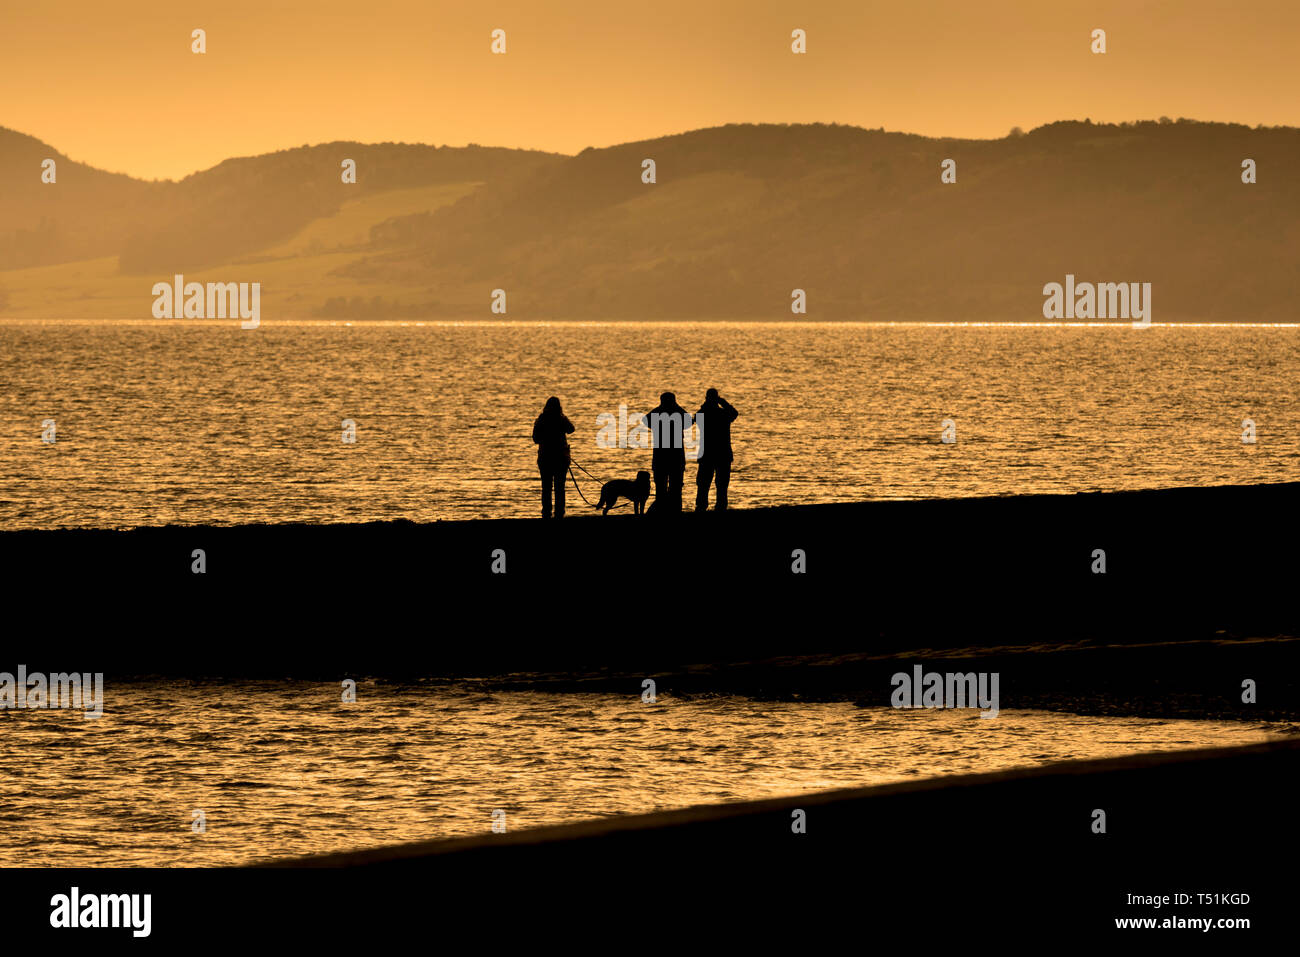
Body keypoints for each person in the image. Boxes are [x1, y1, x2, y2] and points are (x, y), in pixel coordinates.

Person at [640, 392, 692, 513]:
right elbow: (689, 421)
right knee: (676, 487)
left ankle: (662, 511)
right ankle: (675, 510)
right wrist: (677, 406)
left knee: (662, 488)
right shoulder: (678, 413)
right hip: (676, 457)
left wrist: (660, 408)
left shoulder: (657, 413)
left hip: (661, 457)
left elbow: (645, 420)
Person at [695, 388, 739, 512]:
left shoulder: (703, 414)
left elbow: (697, 417)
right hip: (723, 453)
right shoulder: (724, 414)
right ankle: (720, 506)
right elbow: (734, 412)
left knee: (703, 483)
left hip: (707, 454)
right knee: (722, 484)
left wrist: (706, 404)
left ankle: (701, 506)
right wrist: (722, 401)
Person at [532, 396, 574, 518]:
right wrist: (563, 417)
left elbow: (535, 439)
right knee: (560, 487)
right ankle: (559, 513)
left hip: (545, 458)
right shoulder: (561, 419)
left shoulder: (541, 420)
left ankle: (546, 513)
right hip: (560, 458)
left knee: (546, 487)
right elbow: (571, 429)